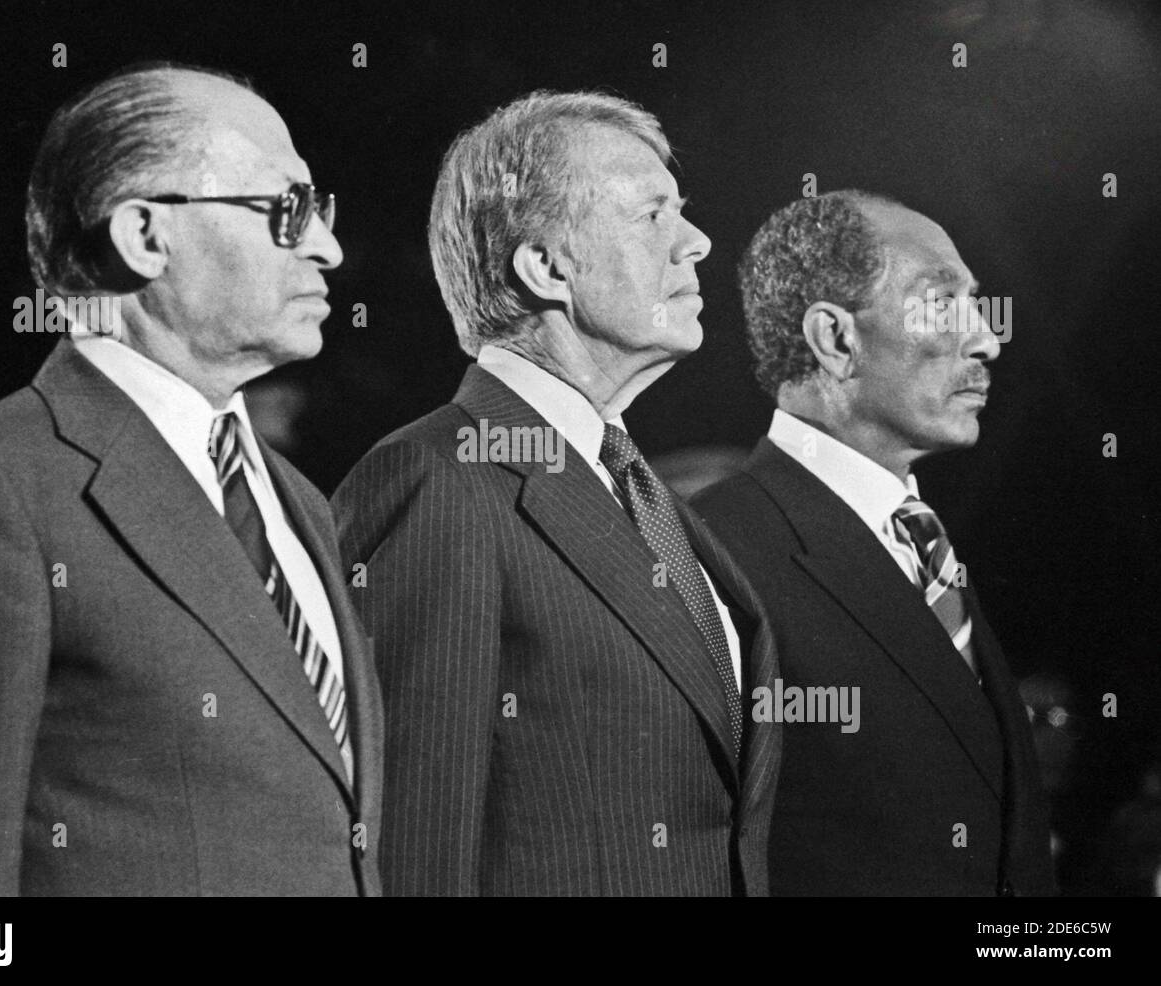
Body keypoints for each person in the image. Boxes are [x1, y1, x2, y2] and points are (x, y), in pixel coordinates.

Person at [0, 63, 383, 895]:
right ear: (146, 235)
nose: (329, 246)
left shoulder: (300, 505)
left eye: (322, 211)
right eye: (287, 209)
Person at [333, 91, 781, 896]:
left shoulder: (641, 493)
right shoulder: (441, 480)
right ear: (545, 267)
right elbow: (411, 851)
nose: (698, 242)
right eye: (652, 216)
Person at [692, 190, 1055, 895]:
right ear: (835, 340)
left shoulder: (925, 543)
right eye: (941, 302)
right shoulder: (709, 548)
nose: (987, 338)